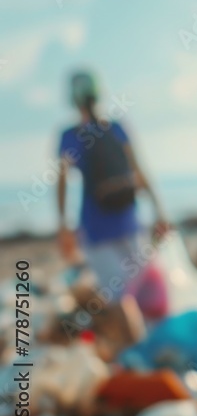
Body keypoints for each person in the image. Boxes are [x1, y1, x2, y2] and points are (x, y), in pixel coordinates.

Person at [56, 69, 170, 355]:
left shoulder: (70, 136)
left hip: (96, 228)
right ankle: (146, 348)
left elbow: (62, 183)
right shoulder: (116, 128)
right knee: (136, 290)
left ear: (73, 100)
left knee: (119, 297)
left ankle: (140, 354)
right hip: (130, 222)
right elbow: (140, 170)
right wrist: (159, 211)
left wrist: (63, 225)